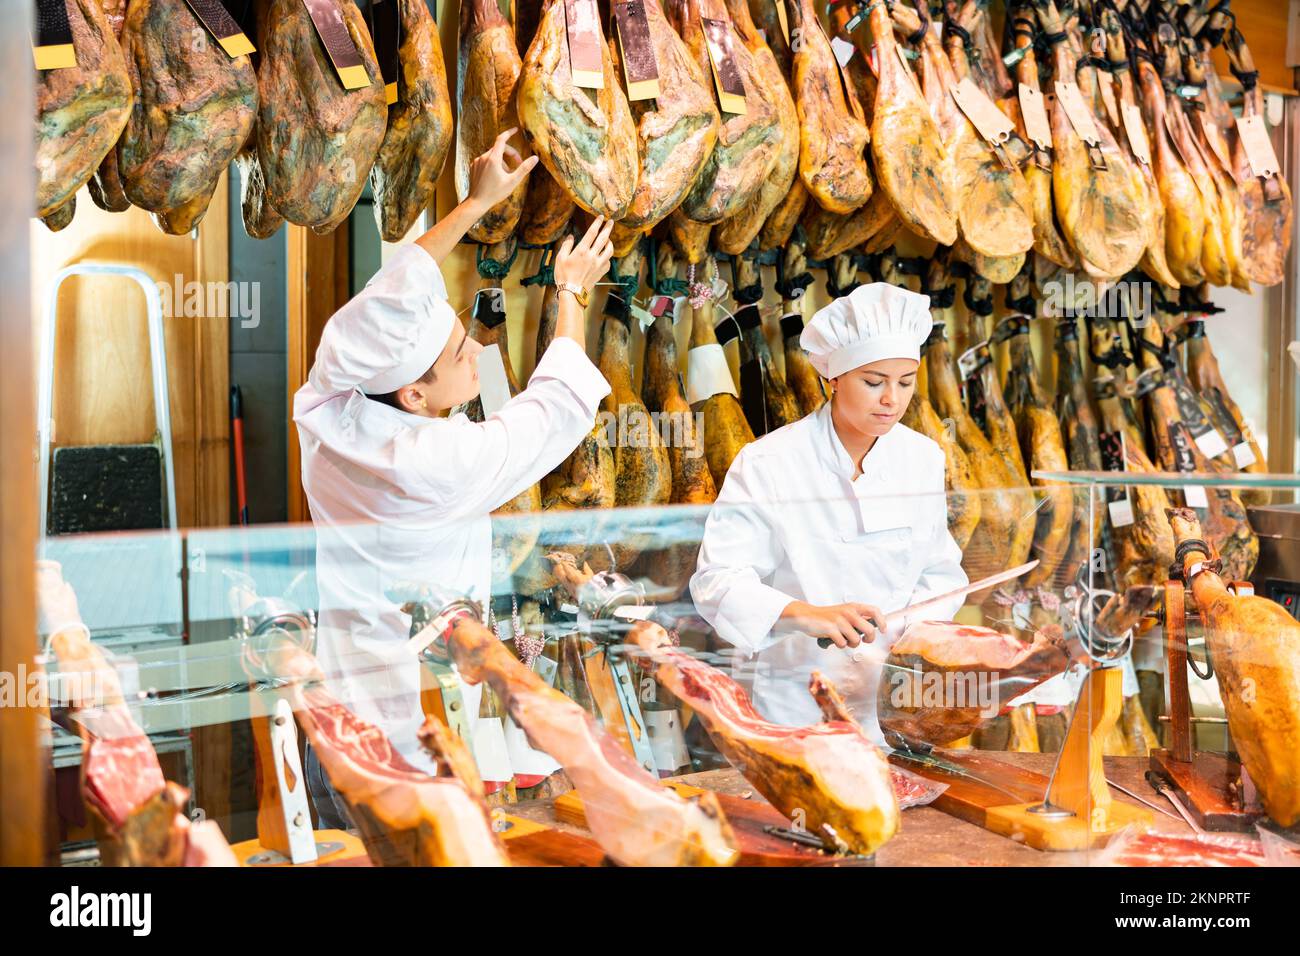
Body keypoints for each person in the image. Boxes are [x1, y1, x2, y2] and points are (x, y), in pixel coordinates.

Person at [293, 129, 616, 818]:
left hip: (338, 714)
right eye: (458, 353)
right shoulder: (439, 464)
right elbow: (556, 410)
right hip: (419, 736)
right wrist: (570, 293)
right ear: (413, 396)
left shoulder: (324, 411)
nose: (476, 350)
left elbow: (389, 293)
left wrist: (474, 204)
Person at [689, 283, 968, 741]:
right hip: (792, 700)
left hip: (891, 699)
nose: (891, 400)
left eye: (905, 382)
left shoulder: (924, 458)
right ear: (833, 378)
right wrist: (807, 614)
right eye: (874, 382)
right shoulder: (769, 461)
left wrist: (910, 635)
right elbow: (717, 582)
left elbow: (941, 574)